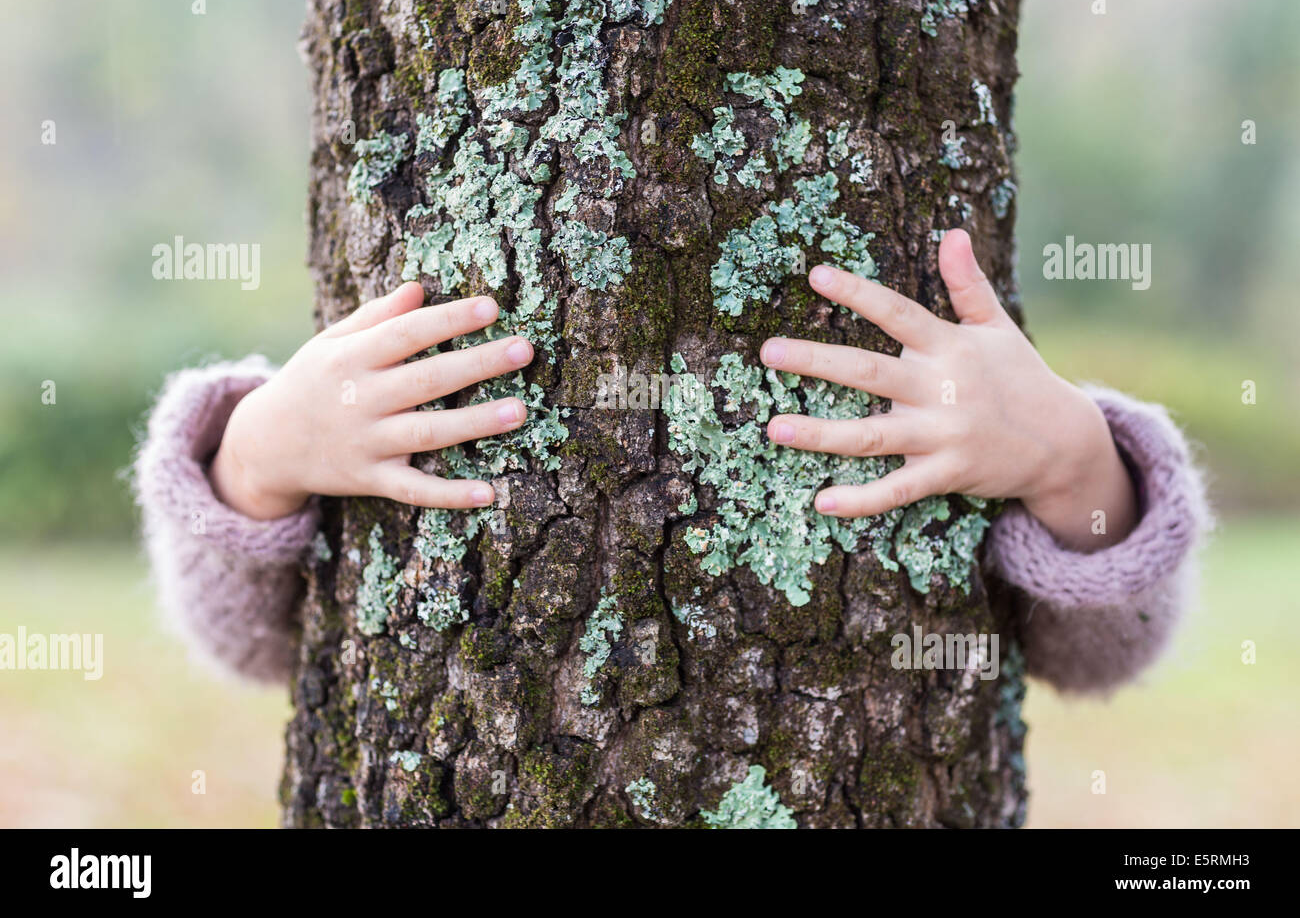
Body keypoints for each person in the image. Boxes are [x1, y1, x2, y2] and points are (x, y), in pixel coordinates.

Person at [133, 230, 1210, 692]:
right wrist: (257, 455)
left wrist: (1073, 464)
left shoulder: (992, 408)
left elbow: (1099, 656)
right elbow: (254, 648)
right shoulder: (341, 396)